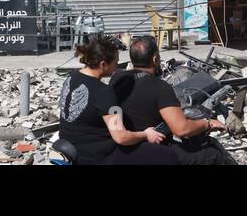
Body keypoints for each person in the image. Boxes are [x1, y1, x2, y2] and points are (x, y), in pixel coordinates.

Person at [112, 35, 236, 165]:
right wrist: (208, 123)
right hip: (156, 151)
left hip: (125, 149)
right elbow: (182, 129)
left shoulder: (117, 80)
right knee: (212, 155)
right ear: (155, 59)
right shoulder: (159, 87)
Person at [56, 34, 176, 165]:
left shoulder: (71, 77)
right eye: (115, 62)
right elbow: (121, 137)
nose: (118, 65)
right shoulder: (104, 92)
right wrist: (146, 134)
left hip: (72, 147)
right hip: (96, 156)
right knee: (167, 155)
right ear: (103, 64)